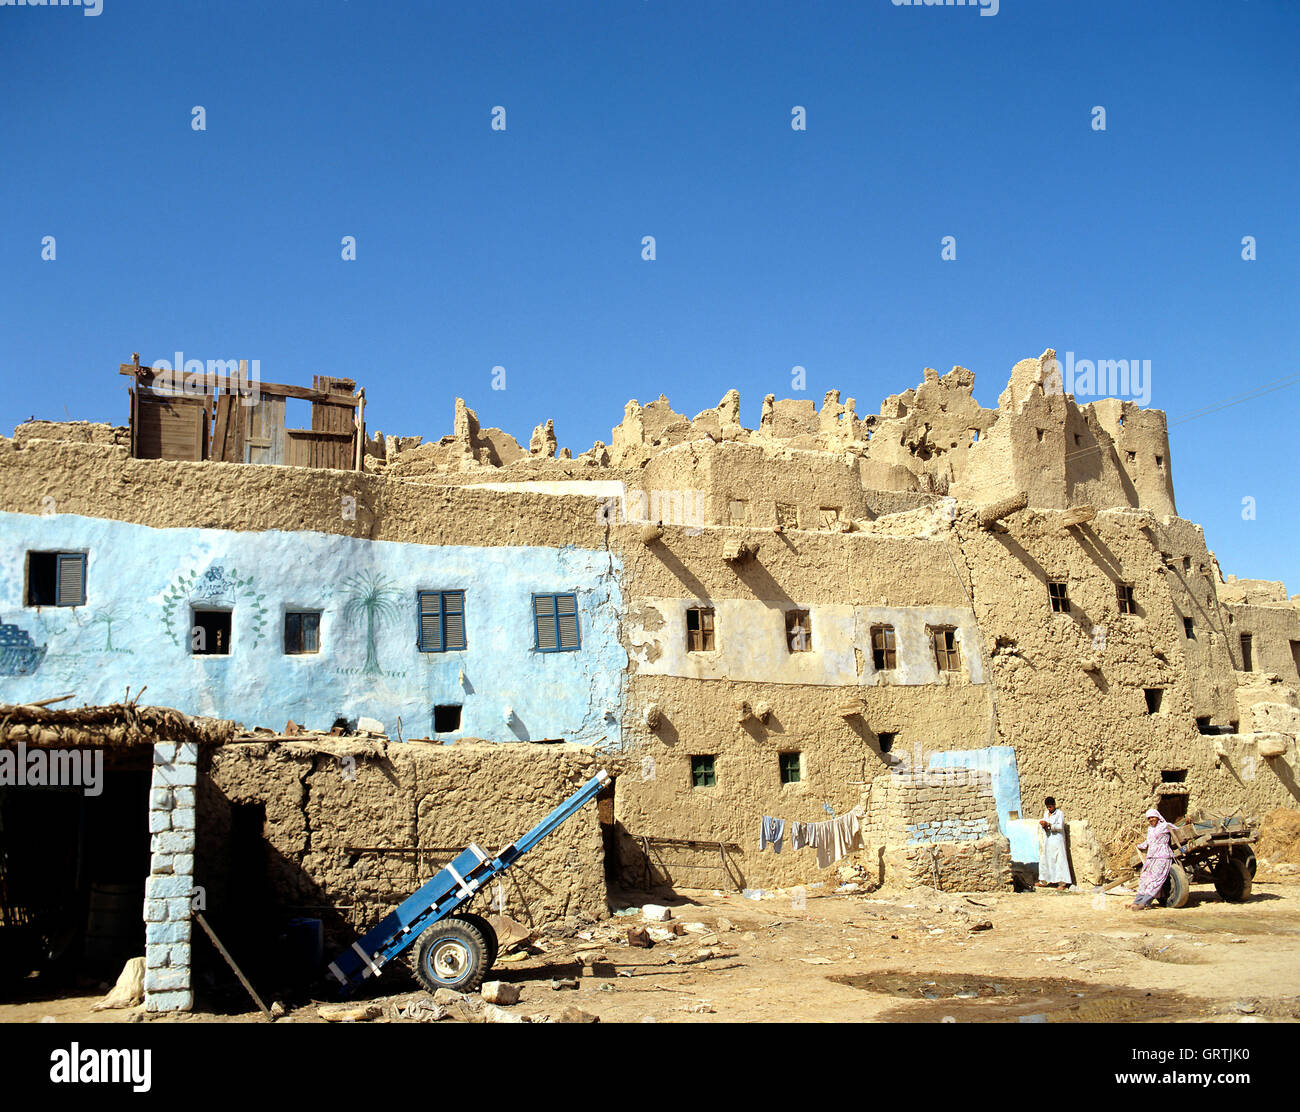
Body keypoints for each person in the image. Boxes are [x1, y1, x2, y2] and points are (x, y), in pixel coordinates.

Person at [1128, 808, 1182, 910]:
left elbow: (1179, 829)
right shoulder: (1150, 829)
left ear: (1157, 817)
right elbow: (1148, 842)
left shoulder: (1165, 826)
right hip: (1151, 857)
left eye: (1153, 817)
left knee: (1155, 879)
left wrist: (1186, 822)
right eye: (1149, 818)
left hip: (1162, 856)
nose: (1151, 820)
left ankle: (1144, 903)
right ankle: (1137, 901)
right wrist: (1139, 846)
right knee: (1144, 878)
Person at [1036, 797, 1072, 889]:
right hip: (1048, 840)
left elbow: (1060, 827)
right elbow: (1044, 826)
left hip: (1057, 840)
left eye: (1050, 807)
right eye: (1047, 807)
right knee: (1046, 859)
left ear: (1054, 805)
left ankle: (1062, 883)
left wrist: (1049, 825)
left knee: (1059, 860)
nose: (1049, 809)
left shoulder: (1060, 814)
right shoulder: (1046, 814)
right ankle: (1045, 880)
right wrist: (1044, 825)